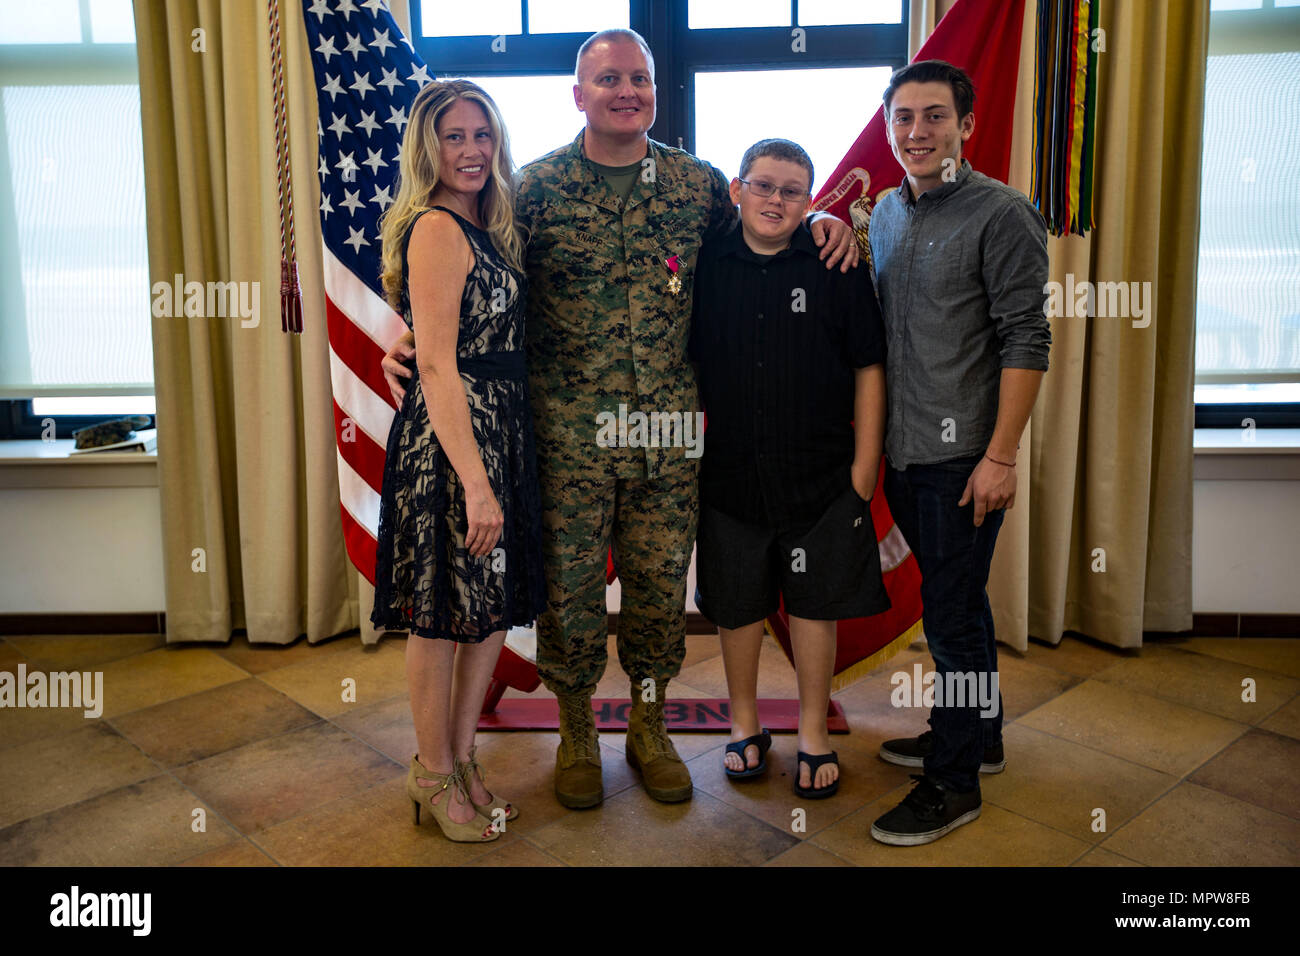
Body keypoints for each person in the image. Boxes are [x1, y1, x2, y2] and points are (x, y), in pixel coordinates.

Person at [382, 29, 858, 810]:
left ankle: (648, 728)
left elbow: (763, 234)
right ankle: (576, 734)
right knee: (569, 596)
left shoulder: (697, 186)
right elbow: (475, 282)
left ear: (655, 92)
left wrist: (823, 222)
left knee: (659, 590)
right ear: (579, 95)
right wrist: (412, 342)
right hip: (565, 437)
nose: (626, 91)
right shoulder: (531, 190)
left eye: (639, 78)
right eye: (608, 80)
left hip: (668, 437)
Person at [866, 60, 1051, 845]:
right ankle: (979, 735)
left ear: (966, 125)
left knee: (951, 623)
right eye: (903, 117)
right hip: (903, 455)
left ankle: (955, 781)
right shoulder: (884, 212)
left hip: (964, 463)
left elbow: (1027, 338)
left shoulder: (1003, 213)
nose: (917, 131)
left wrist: (1001, 457)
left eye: (934, 115)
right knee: (961, 604)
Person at [689, 138, 889, 799]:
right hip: (730, 475)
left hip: (821, 474)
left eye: (792, 191)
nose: (776, 200)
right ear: (738, 190)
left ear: (810, 201)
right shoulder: (707, 260)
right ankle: (743, 724)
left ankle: (812, 730)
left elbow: (868, 365)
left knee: (813, 606)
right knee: (738, 605)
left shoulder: (836, 262)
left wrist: (864, 469)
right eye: (763, 186)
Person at [372, 80, 545, 842]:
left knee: (488, 612)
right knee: (442, 614)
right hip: (454, 445)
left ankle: (463, 758)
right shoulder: (437, 228)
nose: (472, 150)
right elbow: (438, 366)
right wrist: (476, 484)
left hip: (502, 432)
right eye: (455, 137)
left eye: (483, 134)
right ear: (429, 149)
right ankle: (432, 770)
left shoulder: (490, 223)